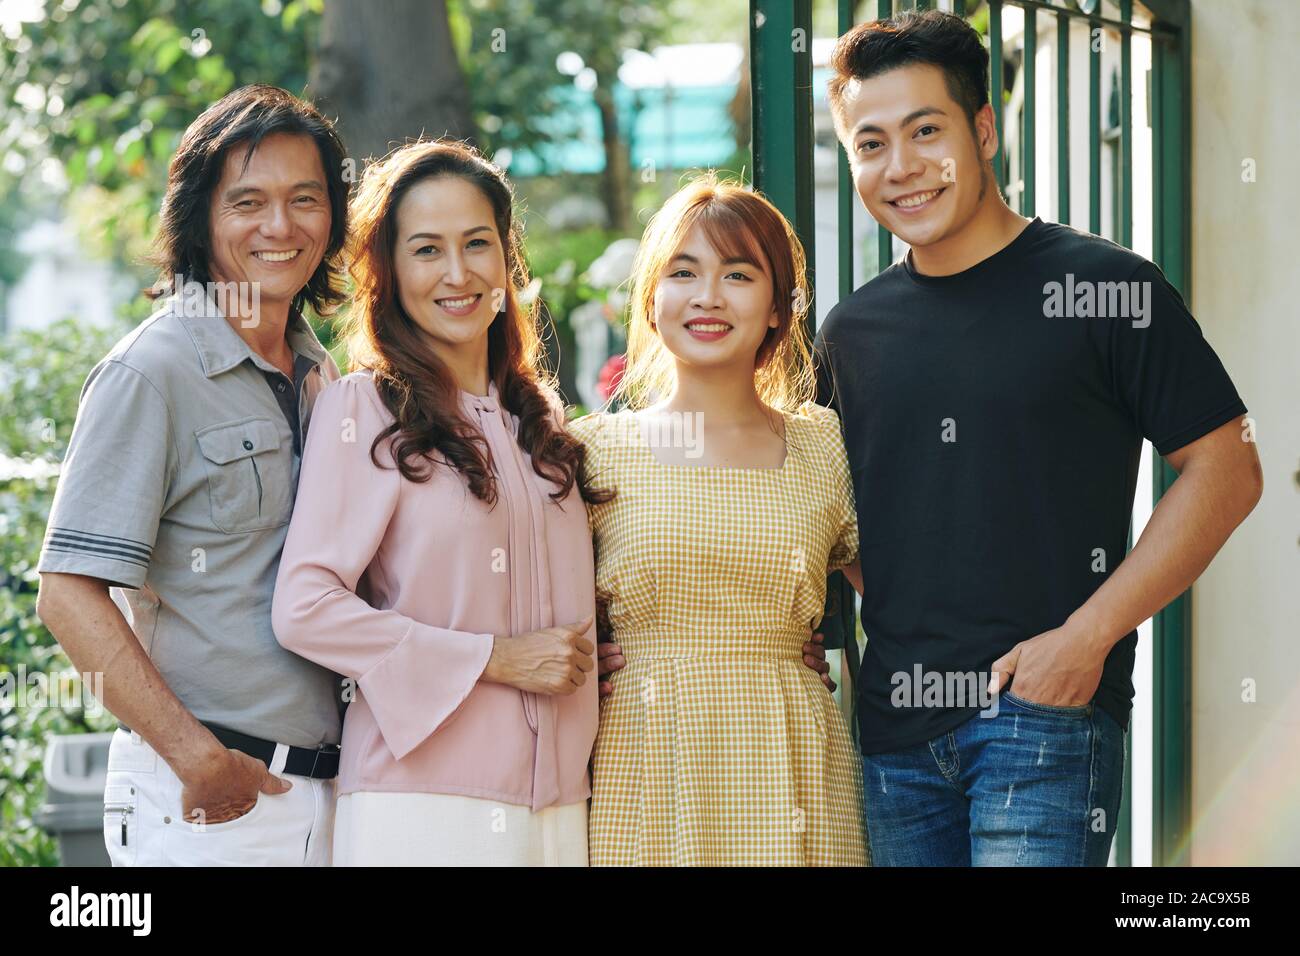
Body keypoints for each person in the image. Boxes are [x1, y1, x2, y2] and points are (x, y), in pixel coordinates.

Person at [817, 10, 1262, 865]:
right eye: (871, 144)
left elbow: (1228, 468)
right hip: (894, 740)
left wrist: (1087, 637)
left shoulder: (1106, 286)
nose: (900, 167)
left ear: (983, 131)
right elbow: (829, 509)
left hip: (1044, 720)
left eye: (925, 132)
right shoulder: (850, 329)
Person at [35, 86, 352, 866]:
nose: (280, 227)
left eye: (304, 199)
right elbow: (68, 593)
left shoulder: (322, 375)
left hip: (333, 796)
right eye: (248, 202)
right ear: (201, 217)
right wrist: (197, 758)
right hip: (211, 801)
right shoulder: (152, 371)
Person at [271, 140, 602, 866]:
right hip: (424, 803)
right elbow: (304, 605)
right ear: (387, 274)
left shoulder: (538, 417)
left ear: (507, 260)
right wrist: (495, 659)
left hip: (561, 801)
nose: (458, 274)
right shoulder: (366, 408)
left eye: (477, 243)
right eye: (426, 250)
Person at [570, 175, 867, 866]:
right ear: (651, 300)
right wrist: (583, 661)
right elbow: (535, 611)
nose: (707, 296)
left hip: (789, 757)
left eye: (738, 274)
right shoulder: (592, 451)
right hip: (645, 757)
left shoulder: (821, 442)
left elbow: (901, 605)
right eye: (684, 272)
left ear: (776, 307)